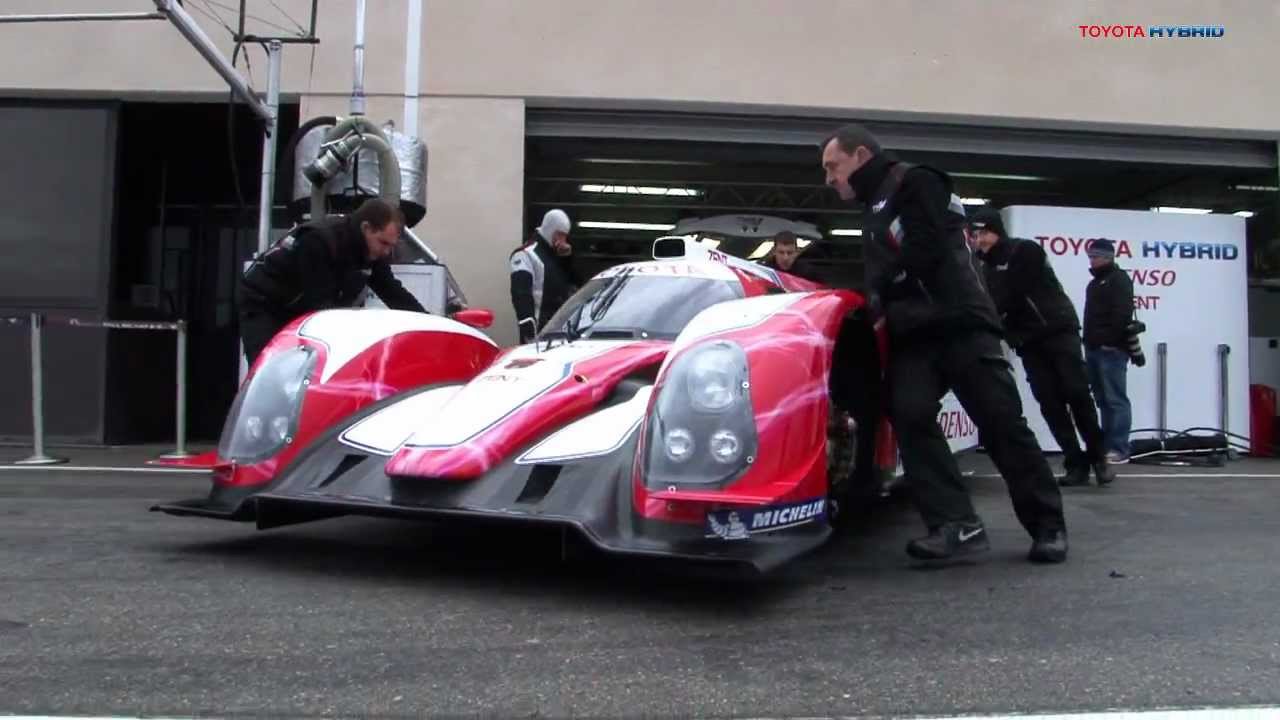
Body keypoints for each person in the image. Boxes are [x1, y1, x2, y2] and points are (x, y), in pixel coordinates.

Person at [820, 123, 1068, 564]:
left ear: (860, 156)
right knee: (908, 413)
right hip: (914, 334)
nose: (829, 178)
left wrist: (884, 287)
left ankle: (1048, 525)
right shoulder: (873, 208)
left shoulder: (917, 180)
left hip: (960, 322)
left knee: (1000, 422)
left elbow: (927, 248)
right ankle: (956, 524)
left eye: (832, 166)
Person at [967, 207, 1116, 488]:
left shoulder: (1025, 251)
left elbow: (1013, 293)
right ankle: (1075, 462)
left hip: (1057, 331)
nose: (979, 240)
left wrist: (986, 314)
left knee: (1076, 392)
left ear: (997, 231)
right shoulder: (984, 269)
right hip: (1028, 341)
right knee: (1049, 402)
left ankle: (1099, 457)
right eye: (975, 235)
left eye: (984, 233)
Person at [238, 198, 426, 364]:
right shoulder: (320, 241)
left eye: (391, 246)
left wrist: (428, 321)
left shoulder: (371, 252)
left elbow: (394, 293)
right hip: (264, 303)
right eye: (383, 243)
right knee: (271, 367)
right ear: (366, 228)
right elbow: (320, 306)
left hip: (299, 305)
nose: (386, 252)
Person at [1082, 239, 1135, 464]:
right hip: (1094, 348)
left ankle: (1119, 448)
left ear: (1107, 257)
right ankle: (1107, 446)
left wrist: (1109, 341)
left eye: (1095, 257)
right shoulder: (1095, 283)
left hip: (1110, 350)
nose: (1092, 261)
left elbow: (1122, 313)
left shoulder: (1119, 280)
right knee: (1104, 400)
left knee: (1115, 399)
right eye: (1091, 257)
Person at [510, 208, 580, 344]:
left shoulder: (558, 257)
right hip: (538, 332)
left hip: (560, 331)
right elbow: (521, 295)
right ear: (550, 230)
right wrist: (528, 329)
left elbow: (575, 284)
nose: (563, 240)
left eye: (565, 236)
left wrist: (567, 259)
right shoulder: (526, 255)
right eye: (560, 235)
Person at [759, 230, 824, 283]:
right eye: (781, 252)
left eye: (790, 253)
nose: (785, 258)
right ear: (774, 252)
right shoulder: (764, 272)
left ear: (796, 252)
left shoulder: (809, 273)